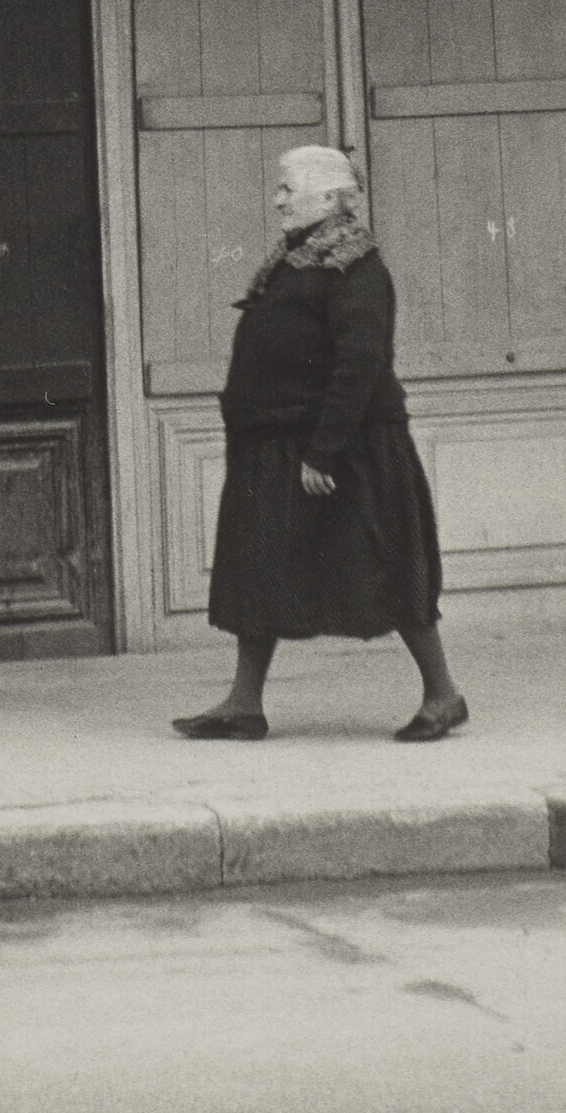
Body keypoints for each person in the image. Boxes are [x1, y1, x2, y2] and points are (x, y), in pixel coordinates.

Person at [172, 144, 467, 745]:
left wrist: (323, 452)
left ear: (331, 197)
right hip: (278, 444)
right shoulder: (295, 261)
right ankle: (243, 704)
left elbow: (362, 363)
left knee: (386, 566)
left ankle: (443, 694)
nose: (277, 198)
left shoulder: (356, 269)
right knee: (260, 567)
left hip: (346, 450)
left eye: (288, 187)